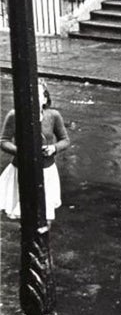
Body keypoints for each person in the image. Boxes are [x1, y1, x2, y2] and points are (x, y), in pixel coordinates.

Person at [0, 82, 70, 222]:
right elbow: (3, 141)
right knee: (23, 213)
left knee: (45, 215)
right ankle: (26, 239)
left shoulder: (53, 116)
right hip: (22, 170)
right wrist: (22, 151)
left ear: (44, 99)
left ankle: (42, 239)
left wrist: (53, 148)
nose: (31, 100)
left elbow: (65, 140)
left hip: (47, 170)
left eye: (36, 96)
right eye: (28, 96)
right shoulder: (14, 115)